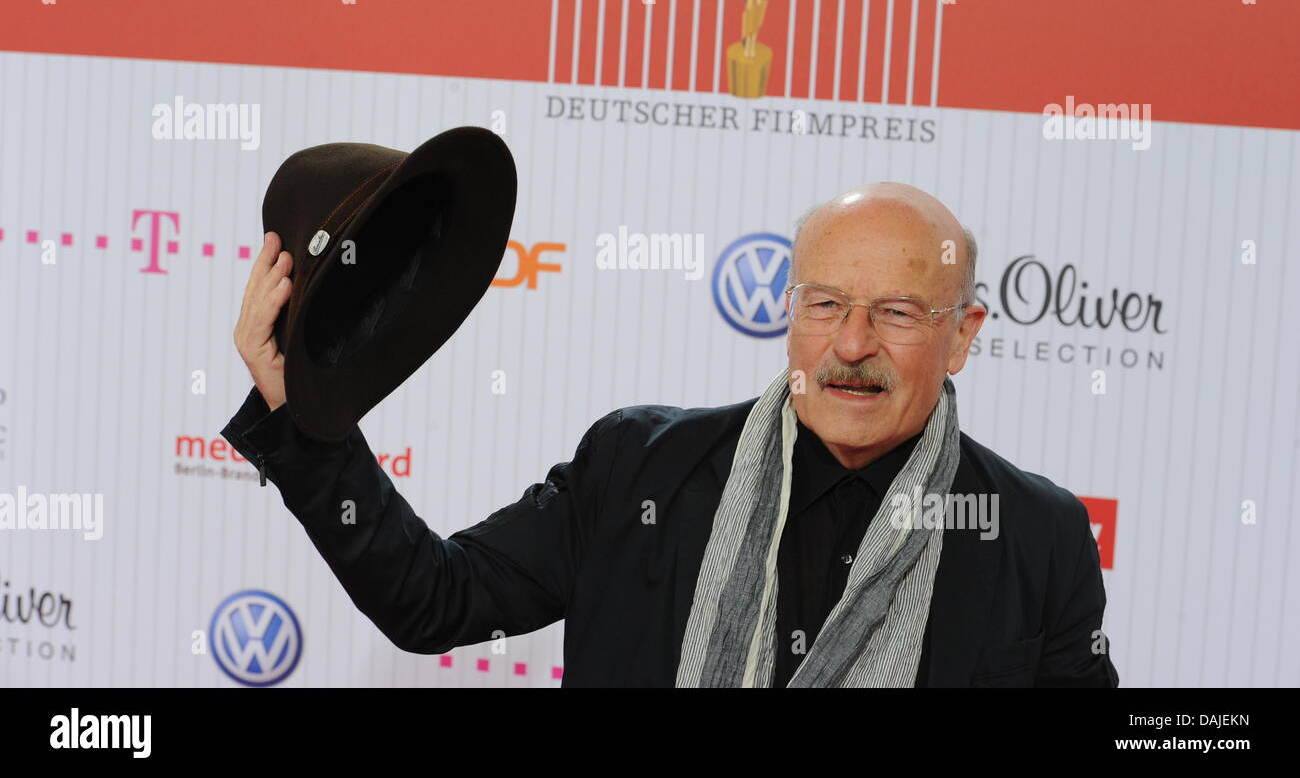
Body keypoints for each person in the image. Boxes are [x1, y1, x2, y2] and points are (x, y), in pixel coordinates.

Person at [223, 181, 1118, 687]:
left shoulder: (1036, 536)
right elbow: (432, 599)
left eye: (896, 311)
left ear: (963, 334)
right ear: (789, 310)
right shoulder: (639, 467)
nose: (852, 344)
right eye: (826, 303)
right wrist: (310, 420)